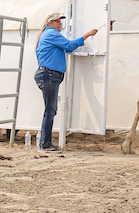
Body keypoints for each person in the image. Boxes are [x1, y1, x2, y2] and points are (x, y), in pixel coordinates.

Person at [34, 12, 98, 152]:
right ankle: (45, 144)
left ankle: (45, 143)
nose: (60, 23)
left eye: (60, 21)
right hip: (49, 75)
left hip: (48, 74)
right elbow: (69, 46)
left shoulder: (48, 34)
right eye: (57, 21)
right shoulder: (52, 34)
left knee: (50, 110)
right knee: (50, 110)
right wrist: (86, 35)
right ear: (50, 23)